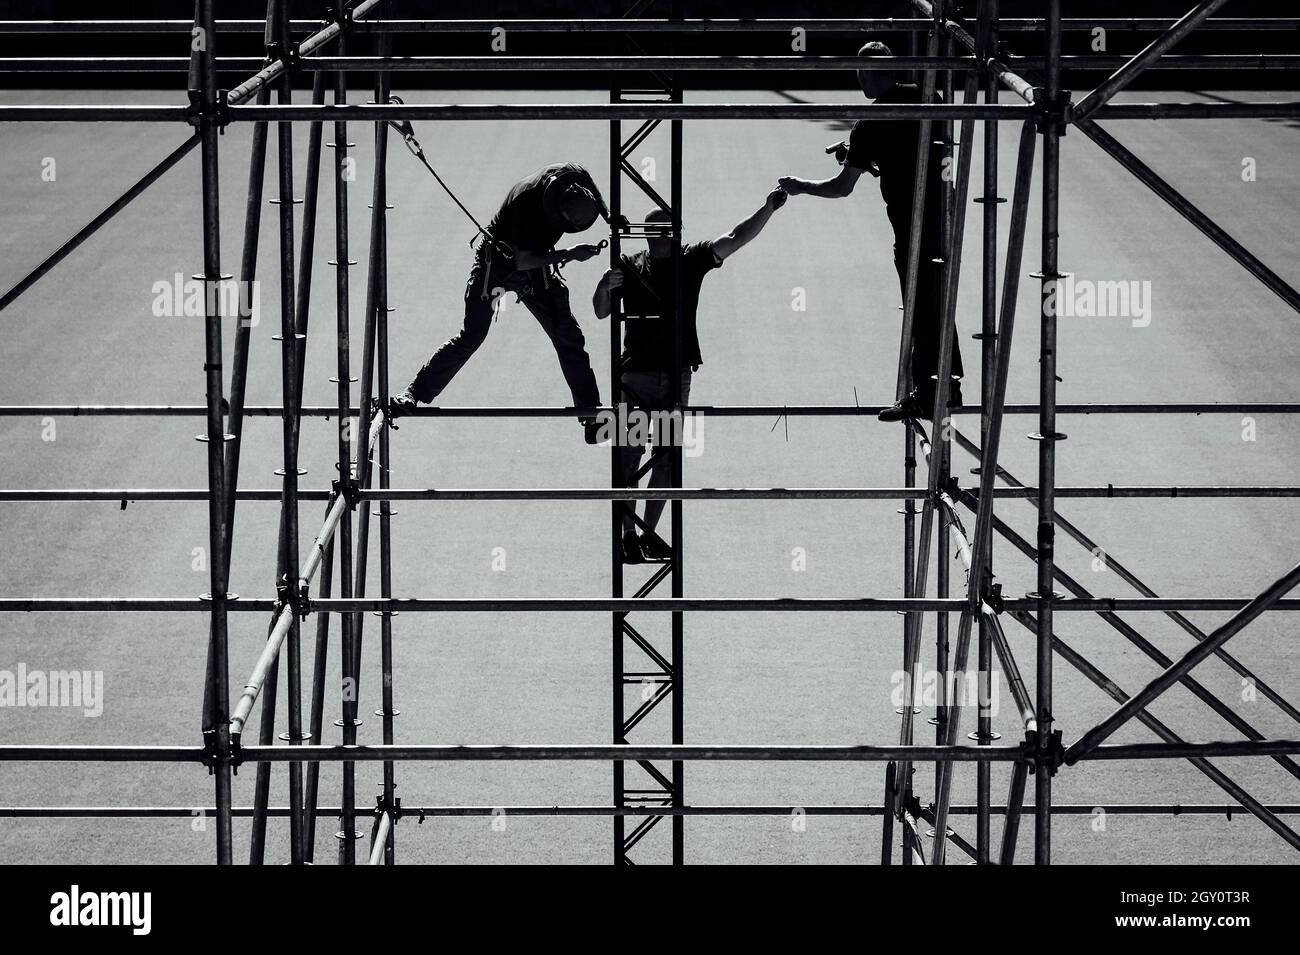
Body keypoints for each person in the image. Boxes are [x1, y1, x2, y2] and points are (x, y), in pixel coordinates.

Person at [593, 187, 787, 563]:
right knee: (629, 454)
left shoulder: (691, 260)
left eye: (664, 231)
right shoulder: (629, 267)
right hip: (634, 374)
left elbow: (736, 237)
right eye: (653, 232)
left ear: (676, 232)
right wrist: (604, 286)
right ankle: (628, 534)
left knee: (666, 457)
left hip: (675, 374)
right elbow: (602, 311)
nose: (659, 237)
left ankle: (646, 532)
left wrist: (767, 209)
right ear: (646, 236)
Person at [779, 41, 963, 422]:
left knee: (919, 305)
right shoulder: (930, 96)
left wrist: (799, 185)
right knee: (935, 300)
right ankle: (947, 388)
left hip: (912, 221)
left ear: (870, 72)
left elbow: (842, 187)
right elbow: (911, 153)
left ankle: (930, 395)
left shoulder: (870, 120)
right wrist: (858, 152)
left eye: (859, 71)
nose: (857, 79)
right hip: (945, 213)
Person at [390, 162, 610, 442]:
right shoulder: (525, 204)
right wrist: (569, 253)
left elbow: (588, 177)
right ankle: (414, 392)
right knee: (472, 336)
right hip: (499, 264)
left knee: (568, 335)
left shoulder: (572, 175)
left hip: (535, 264)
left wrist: (608, 214)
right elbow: (523, 260)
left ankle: (591, 417)